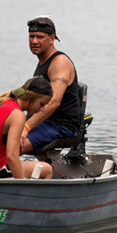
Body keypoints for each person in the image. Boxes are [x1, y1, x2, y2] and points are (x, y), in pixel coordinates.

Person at [21, 16, 82, 154]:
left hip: (61, 125)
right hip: (43, 121)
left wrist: (26, 127)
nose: (34, 41)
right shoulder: (43, 60)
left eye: (40, 37)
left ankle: (7, 172)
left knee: (14, 145)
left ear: (52, 38)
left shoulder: (59, 62)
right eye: (31, 36)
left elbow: (54, 102)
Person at [0, 76, 54, 179]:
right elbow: (11, 156)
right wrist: (21, 185)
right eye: (42, 104)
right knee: (47, 169)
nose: (42, 109)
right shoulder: (18, 115)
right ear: (30, 98)